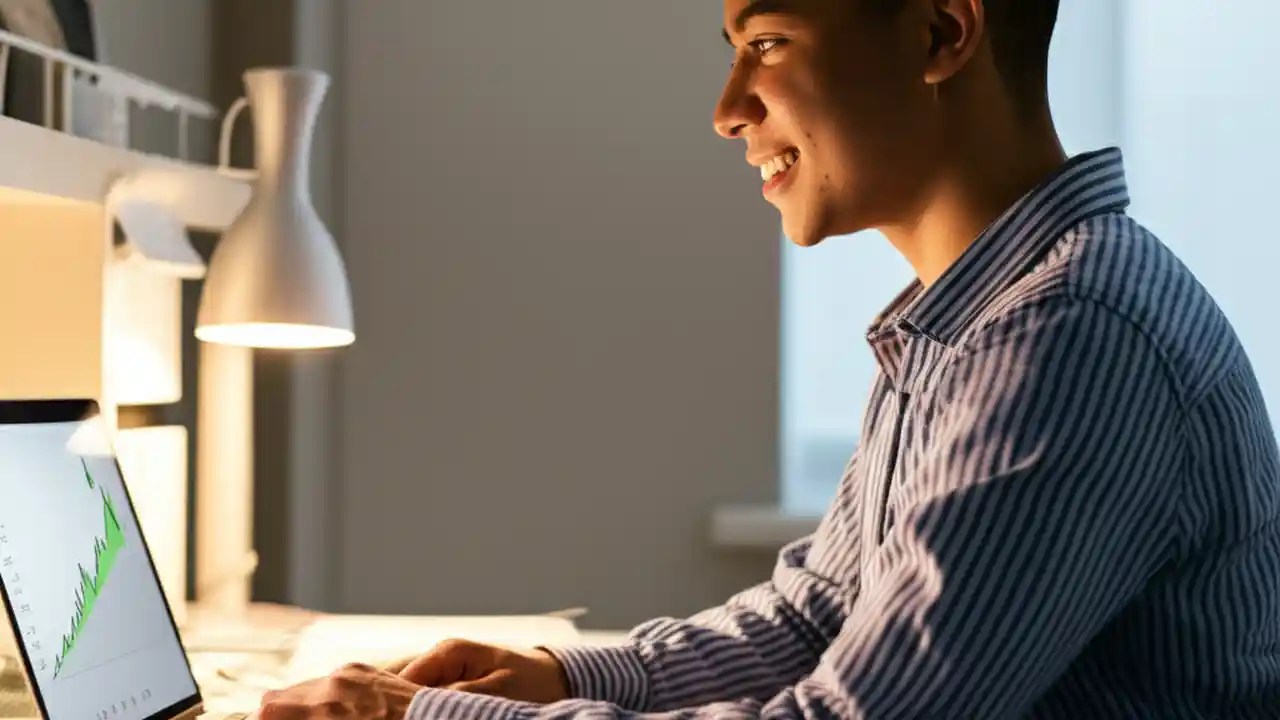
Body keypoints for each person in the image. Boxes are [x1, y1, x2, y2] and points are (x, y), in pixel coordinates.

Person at [257, 0, 1280, 717]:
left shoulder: (1069, 341)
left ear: (939, 32)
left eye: (767, 41)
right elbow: (819, 615)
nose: (726, 106)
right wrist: (557, 677)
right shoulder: (969, 319)